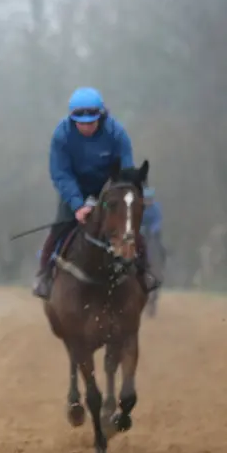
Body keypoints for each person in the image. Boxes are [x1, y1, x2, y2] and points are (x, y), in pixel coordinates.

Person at [31, 86, 161, 299]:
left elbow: (126, 172)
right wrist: (78, 204)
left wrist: (115, 195)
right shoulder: (61, 136)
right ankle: (44, 274)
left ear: (101, 116)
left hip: (109, 188)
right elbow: (60, 173)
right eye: (81, 124)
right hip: (74, 189)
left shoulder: (117, 133)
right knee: (59, 227)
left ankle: (144, 271)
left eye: (91, 122)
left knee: (127, 226)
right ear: (73, 120)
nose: (86, 127)